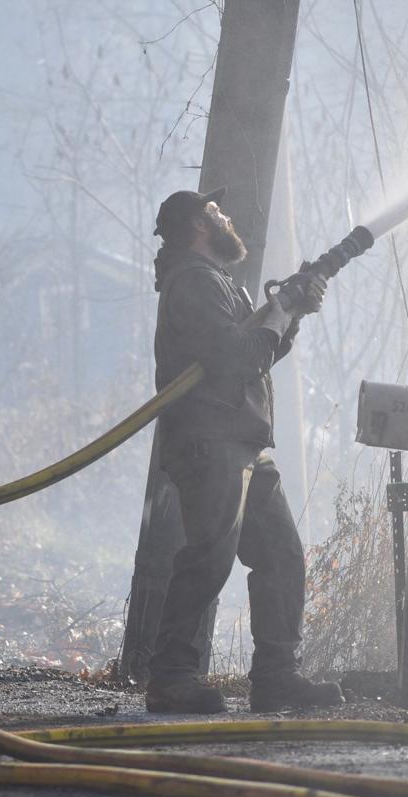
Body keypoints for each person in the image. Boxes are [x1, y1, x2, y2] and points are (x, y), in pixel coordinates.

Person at [145, 187, 344, 714]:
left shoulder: (213, 283)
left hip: (242, 442)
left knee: (280, 555)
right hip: (213, 443)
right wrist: (279, 316)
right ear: (198, 224)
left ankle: (277, 678)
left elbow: (252, 357)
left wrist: (291, 314)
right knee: (210, 557)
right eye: (217, 211)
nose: (227, 216)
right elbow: (235, 359)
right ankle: (171, 678)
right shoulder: (195, 283)